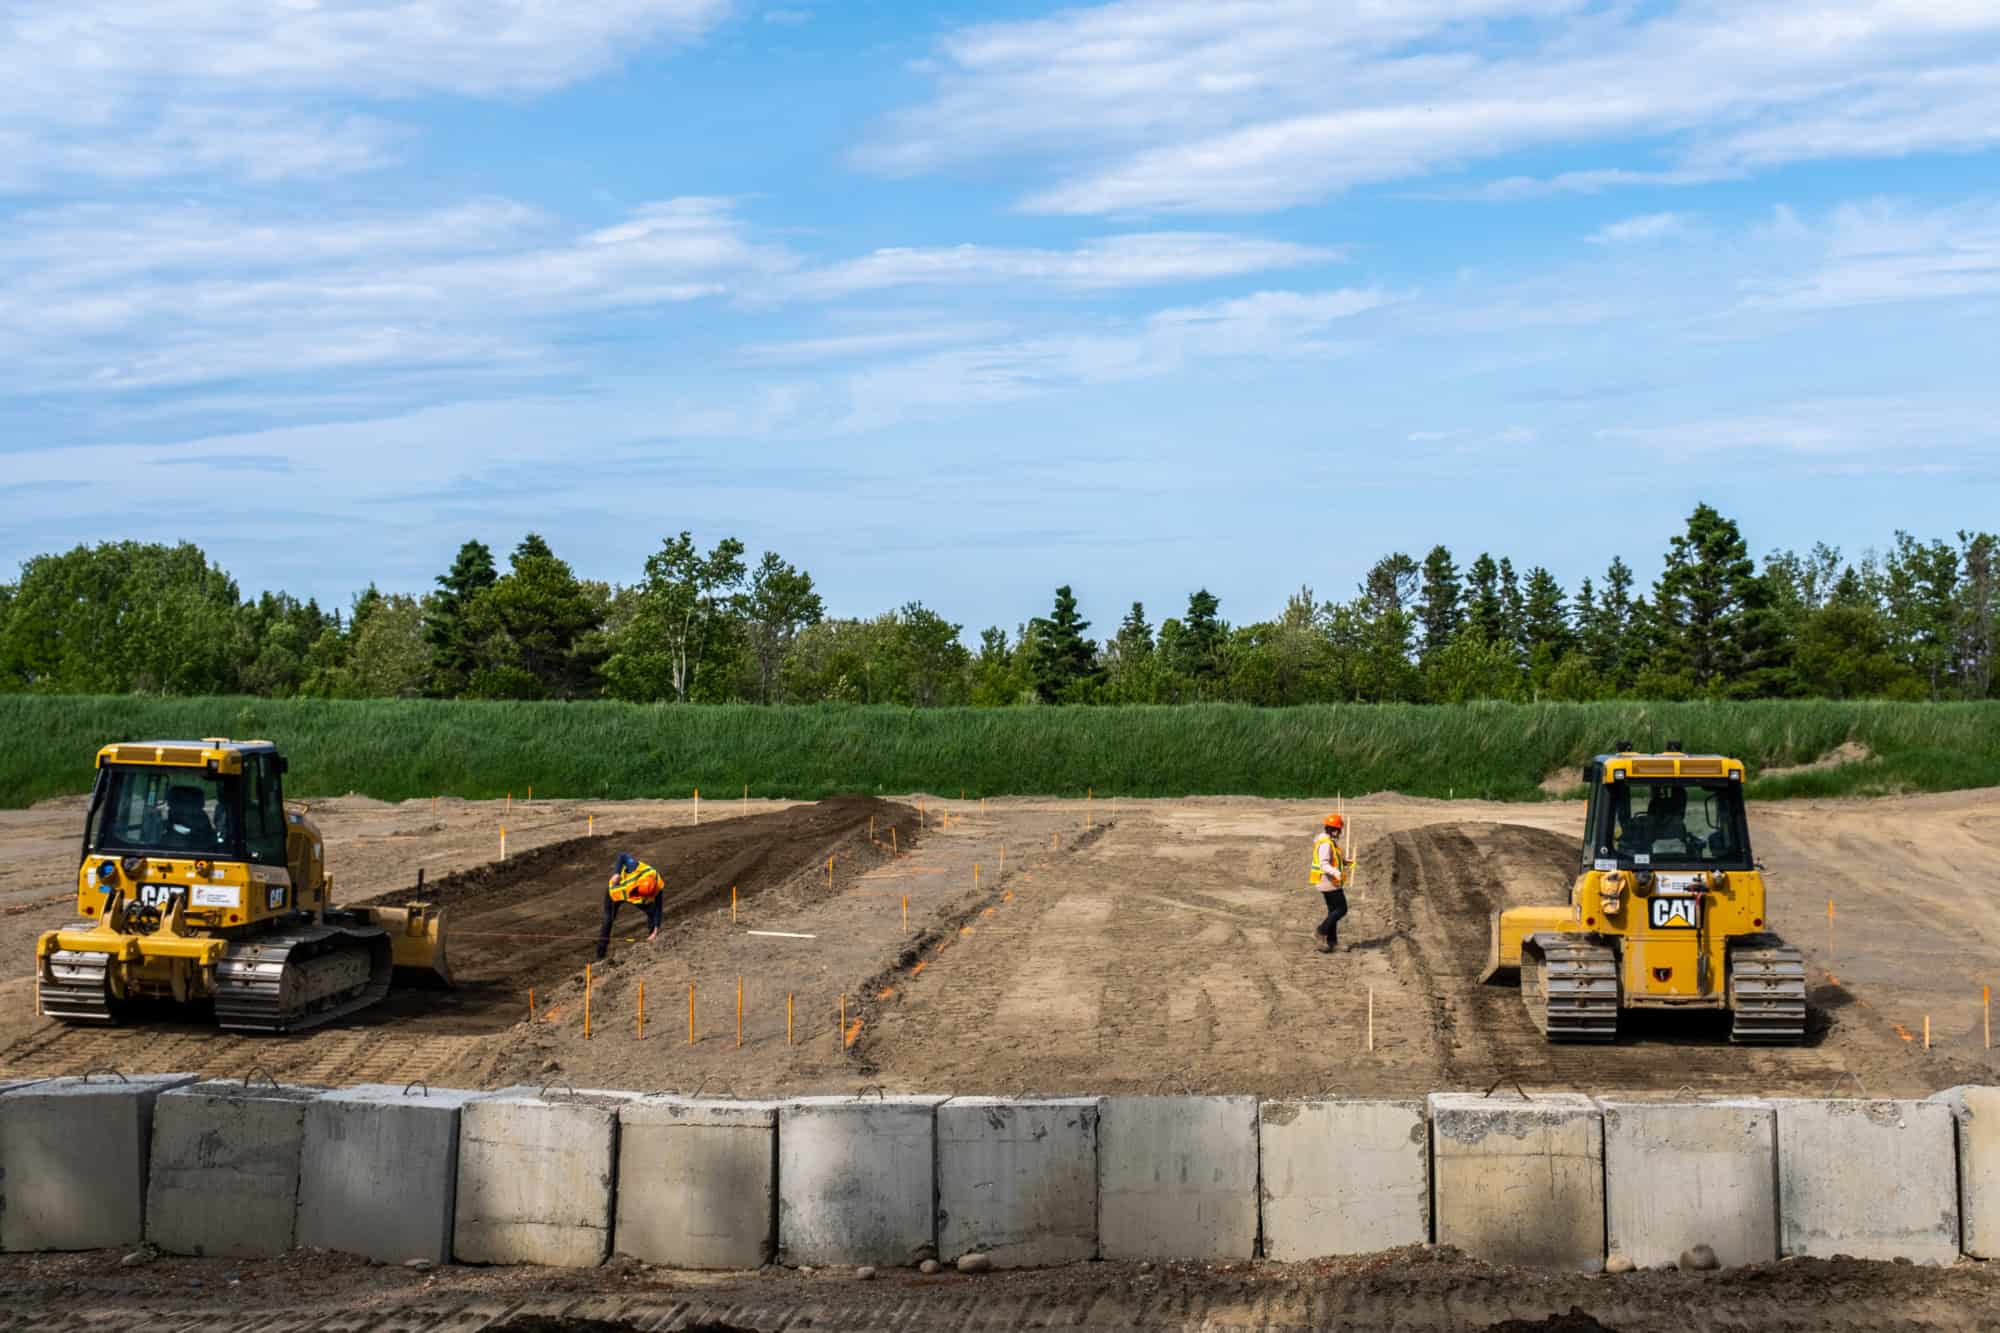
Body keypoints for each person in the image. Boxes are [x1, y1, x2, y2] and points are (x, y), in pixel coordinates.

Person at [598, 852, 665, 961]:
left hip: (636, 898)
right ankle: (600, 954)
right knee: (608, 921)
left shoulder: (657, 884)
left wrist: (656, 929)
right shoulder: (634, 867)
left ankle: (652, 940)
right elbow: (622, 856)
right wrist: (617, 873)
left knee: (652, 912)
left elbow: (659, 907)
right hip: (615, 893)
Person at [1310, 813, 1348, 953]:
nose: (1340, 833)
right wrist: (1336, 873)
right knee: (1341, 909)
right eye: (1339, 830)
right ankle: (1320, 931)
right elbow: (1324, 864)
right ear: (1334, 830)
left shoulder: (1328, 841)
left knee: (1333, 911)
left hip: (1329, 881)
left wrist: (1344, 863)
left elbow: (1333, 859)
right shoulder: (1326, 843)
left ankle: (1332, 942)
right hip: (1328, 882)